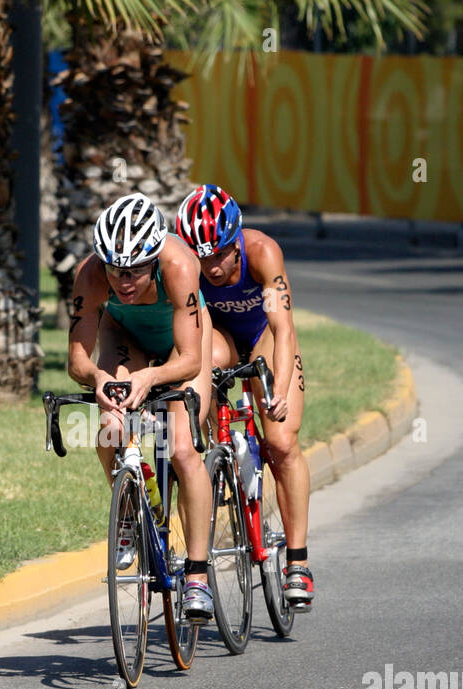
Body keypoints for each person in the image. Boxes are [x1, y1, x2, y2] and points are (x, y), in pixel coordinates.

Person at [66, 193, 215, 621]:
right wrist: (100, 380)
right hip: (125, 334)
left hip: (181, 343)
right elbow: (77, 358)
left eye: (134, 270)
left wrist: (147, 378)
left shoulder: (180, 265)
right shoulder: (91, 275)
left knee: (183, 447)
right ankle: (132, 510)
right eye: (115, 269)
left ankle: (199, 576)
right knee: (108, 429)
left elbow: (189, 359)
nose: (123, 280)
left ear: (154, 260)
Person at [175, 183, 313, 610]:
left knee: (280, 441)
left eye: (219, 254)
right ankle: (217, 461)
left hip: (262, 336)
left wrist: (282, 390)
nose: (211, 267)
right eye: (203, 256)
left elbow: (284, 327)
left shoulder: (262, 253)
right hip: (221, 339)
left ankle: (298, 562)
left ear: (236, 242)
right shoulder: (187, 265)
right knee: (209, 360)